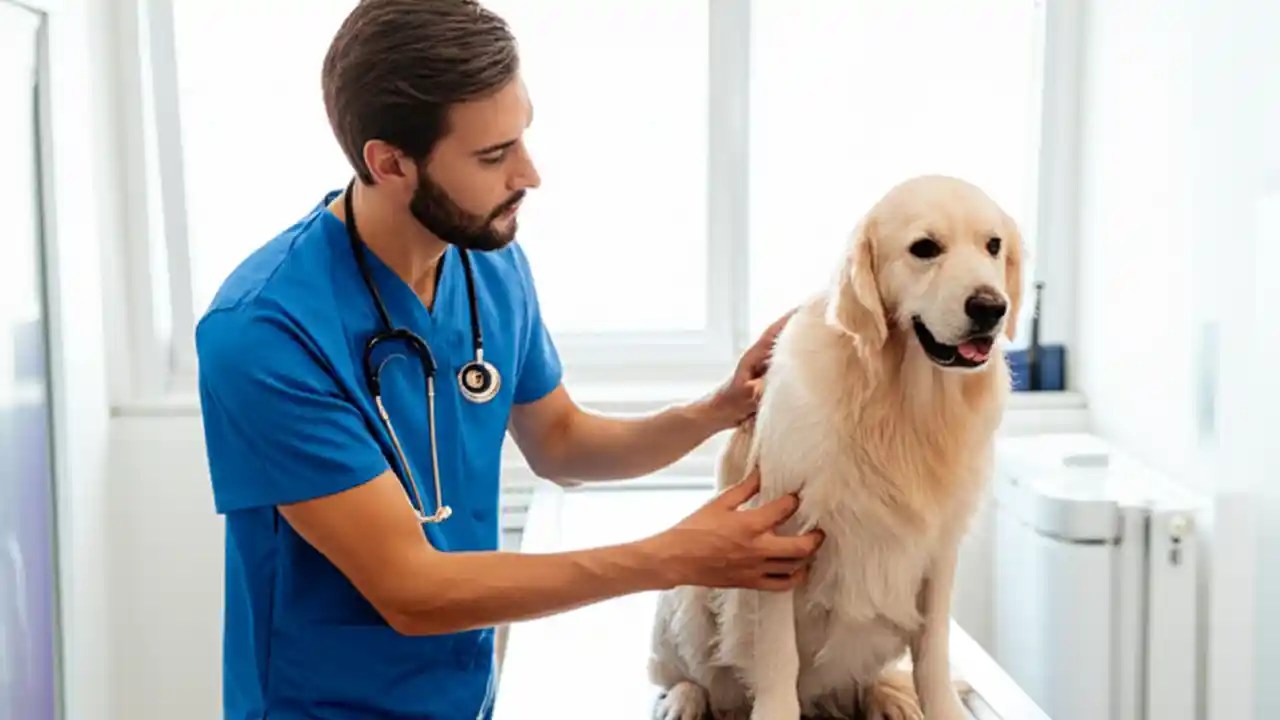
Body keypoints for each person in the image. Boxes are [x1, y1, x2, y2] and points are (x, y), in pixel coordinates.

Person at [194, 1, 824, 718]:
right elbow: (412, 590)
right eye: (493, 156)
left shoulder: (486, 262)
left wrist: (716, 410)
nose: (529, 173)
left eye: (522, 136)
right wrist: (673, 556)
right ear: (389, 162)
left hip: (464, 696)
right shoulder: (263, 333)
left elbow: (560, 442)